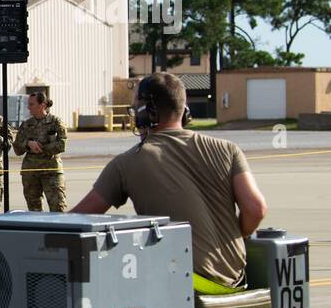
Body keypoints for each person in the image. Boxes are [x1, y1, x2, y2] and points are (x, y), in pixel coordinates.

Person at [71, 73, 267, 290]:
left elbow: (77, 220)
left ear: (147, 111)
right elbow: (256, 209)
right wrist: (236, 236)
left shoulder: (127, 162)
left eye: (137, 106)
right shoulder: (228, 149)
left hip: (183, 284)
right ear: (185, 111)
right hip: (235, 281)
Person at [13, 92, 67, 211]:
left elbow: (62, 145)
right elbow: (17, 148)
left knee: (58, 208)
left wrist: (41, 147)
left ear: (42, 105)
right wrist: (28, 144)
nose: (28, 107)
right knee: (34, 210)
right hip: (31, 173)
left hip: (52, 172)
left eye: (31, 104)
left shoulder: (55, 122)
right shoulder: (26, 125)